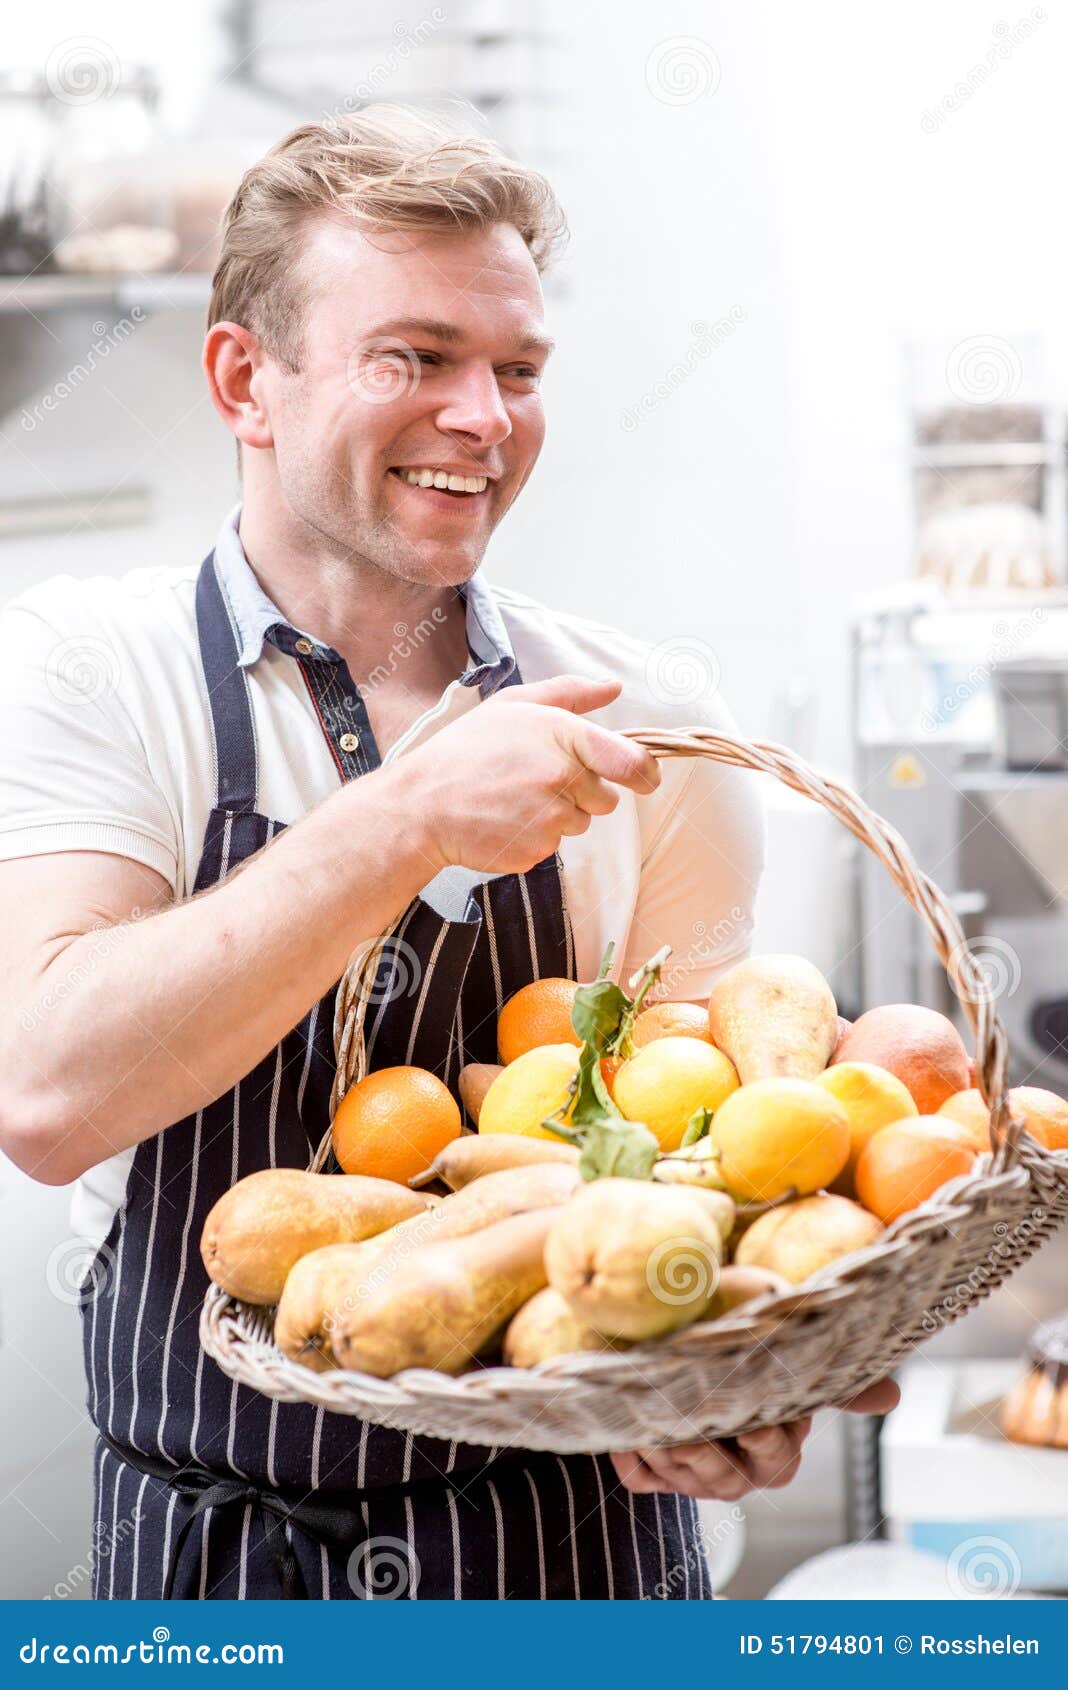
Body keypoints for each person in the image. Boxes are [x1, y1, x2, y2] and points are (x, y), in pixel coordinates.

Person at [0, 107, 897, 1601]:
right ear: (247, 379)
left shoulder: (652, 722)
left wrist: (726, 1385)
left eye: (519, 369)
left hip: (574, 1562)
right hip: (213, 1572)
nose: (486, 415)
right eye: (416, 358)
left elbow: (724, 1154)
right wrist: (408, 814)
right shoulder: (96, 674)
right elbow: (44, 1093)